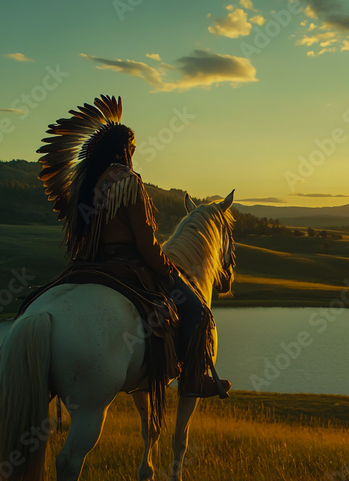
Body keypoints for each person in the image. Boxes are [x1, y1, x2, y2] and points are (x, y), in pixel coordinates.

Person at [36, 95, 230, 398]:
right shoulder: (129, 182)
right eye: (132, 149)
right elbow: (145, 243)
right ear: (123, 150)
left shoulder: (87, 185)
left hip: (89, 264)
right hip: (128, 265)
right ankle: (193, 379)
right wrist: (166, 266)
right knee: (197, 311)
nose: (133, 156)